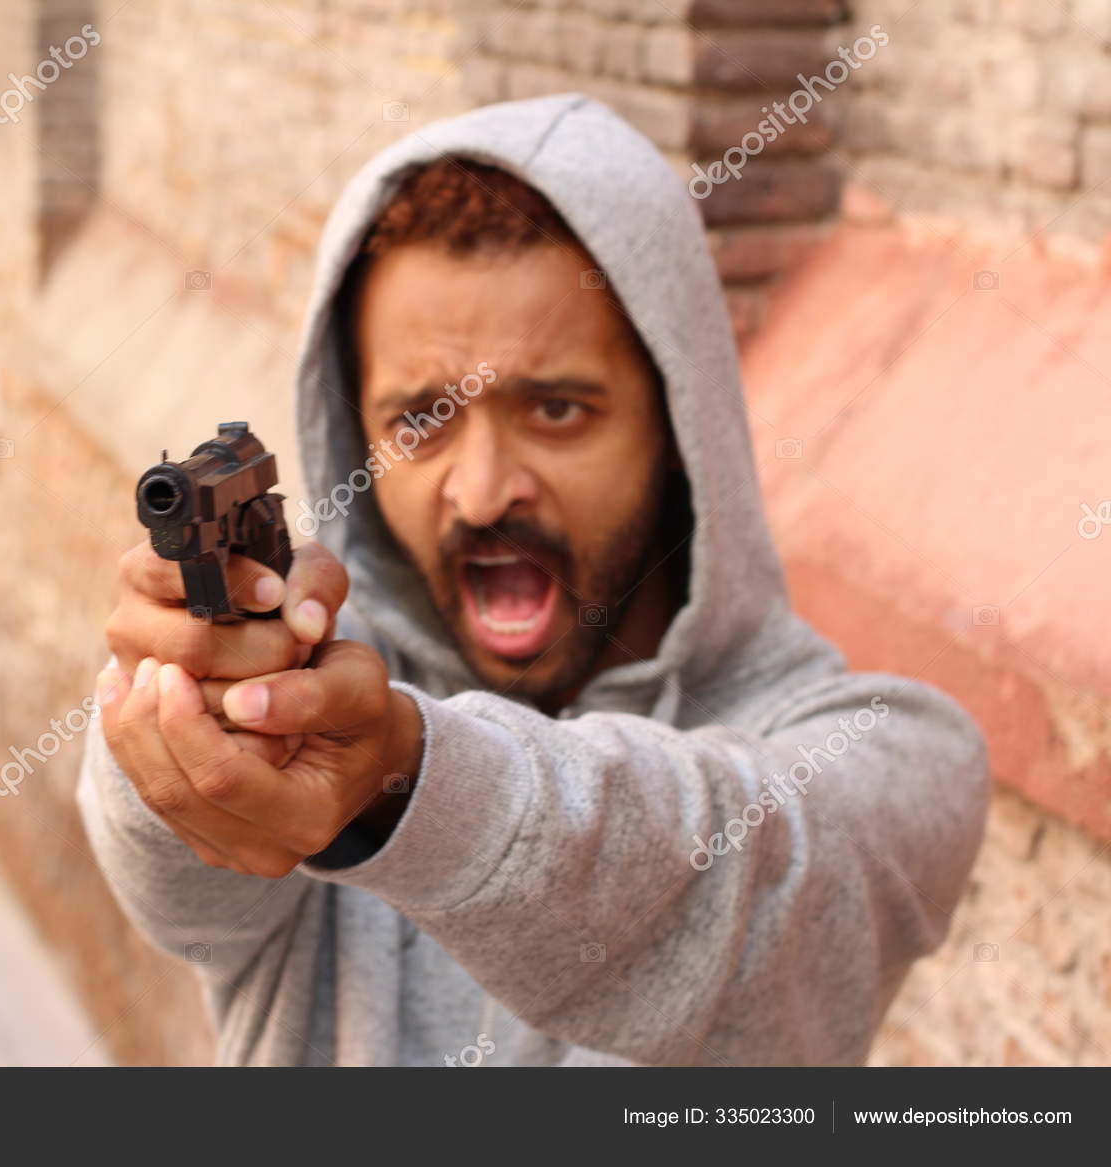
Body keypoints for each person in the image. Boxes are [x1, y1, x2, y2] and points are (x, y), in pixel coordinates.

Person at [76, 94, 990, 1066]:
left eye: (556, 410)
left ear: (681, 429)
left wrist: (402, 779)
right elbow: (179, 893)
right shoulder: (306, 694)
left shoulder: (887, 757)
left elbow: (747, 903)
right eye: (421, 421)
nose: (479, 494)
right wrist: (183, 722)